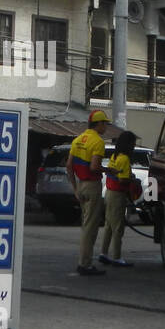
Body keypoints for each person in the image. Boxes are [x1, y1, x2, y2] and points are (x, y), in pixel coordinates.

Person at [67, 109, 110, 275]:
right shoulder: (98, 142)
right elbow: (94, 167)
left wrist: (75, 188)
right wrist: (108, 170)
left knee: (86, 225)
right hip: (92, 186)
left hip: (81, 185)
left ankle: (84, 262)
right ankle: (85, 264)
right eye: (104, 123)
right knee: (90, 228)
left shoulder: (77, 140)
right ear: (98, 124)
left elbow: (69, 165)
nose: (106, 126)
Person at [99, 130, 137, 267]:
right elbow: (122, 180)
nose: (134, 146)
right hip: (118, 195)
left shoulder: (114, 157)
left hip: (109, 193)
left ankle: (104, 253)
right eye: (133, 143)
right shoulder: (125, 159)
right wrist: (132, 180)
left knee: (109, 225)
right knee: (118, 227)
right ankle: (117, 257)